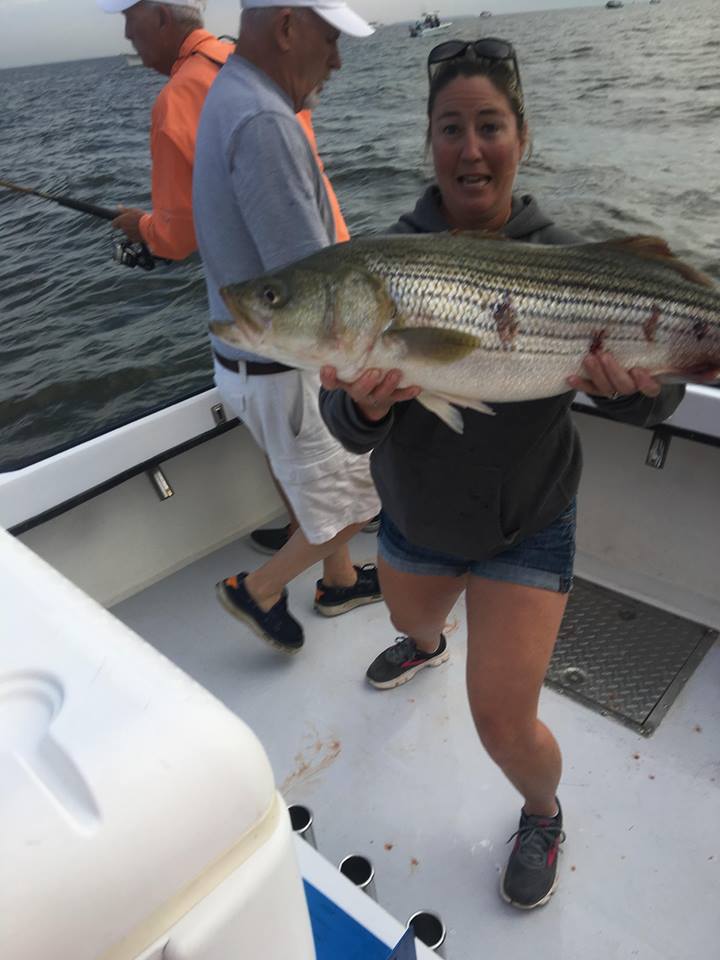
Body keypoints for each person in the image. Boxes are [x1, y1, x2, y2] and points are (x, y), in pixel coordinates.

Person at [318, 38, 688, 910]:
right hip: (417, 518)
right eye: (451, 128)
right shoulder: (380, 264)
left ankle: (543, 813)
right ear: (429, 142)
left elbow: (665, 397)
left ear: (521, 137)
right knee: (410, 617)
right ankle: (425, 642)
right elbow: (342, 422)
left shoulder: (569, 257)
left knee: (500, 720)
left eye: (490, 125)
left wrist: (630, 394)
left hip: (528, 521)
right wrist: (364, 407)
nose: (471, 147)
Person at [192, 0, 381, 654]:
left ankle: (339, 582)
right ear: (287, 26)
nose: (337, 60)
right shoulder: (266, 122)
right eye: (330, 39)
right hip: (289, 372)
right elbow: (318, 292)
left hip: (245, 361)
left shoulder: (229, 93)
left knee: (321, 490)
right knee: (359, 502)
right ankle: (260, 589)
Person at [98, 0, 349, 260]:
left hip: (290, 279)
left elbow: (180, 233)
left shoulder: (177, 99)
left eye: (129, 18)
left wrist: (142, 227)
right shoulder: (261, 67)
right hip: (340, 255)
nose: (127, 33)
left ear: (162, 18)